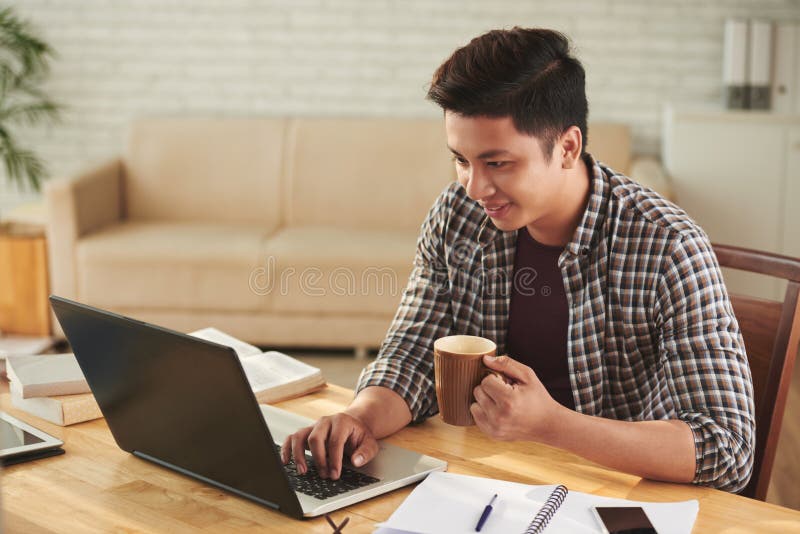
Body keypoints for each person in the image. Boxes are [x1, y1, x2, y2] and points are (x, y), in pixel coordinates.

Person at [281, 27, 755, 492]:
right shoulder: (458, 217)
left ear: (567, 147)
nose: (474, 187)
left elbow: (726, 447)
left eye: (498, 163)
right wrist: (358, 419)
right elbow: (412, 353)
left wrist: (551, 425)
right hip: (495, 481)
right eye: (461, 160)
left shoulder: (666, 246)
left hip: (620, 497)